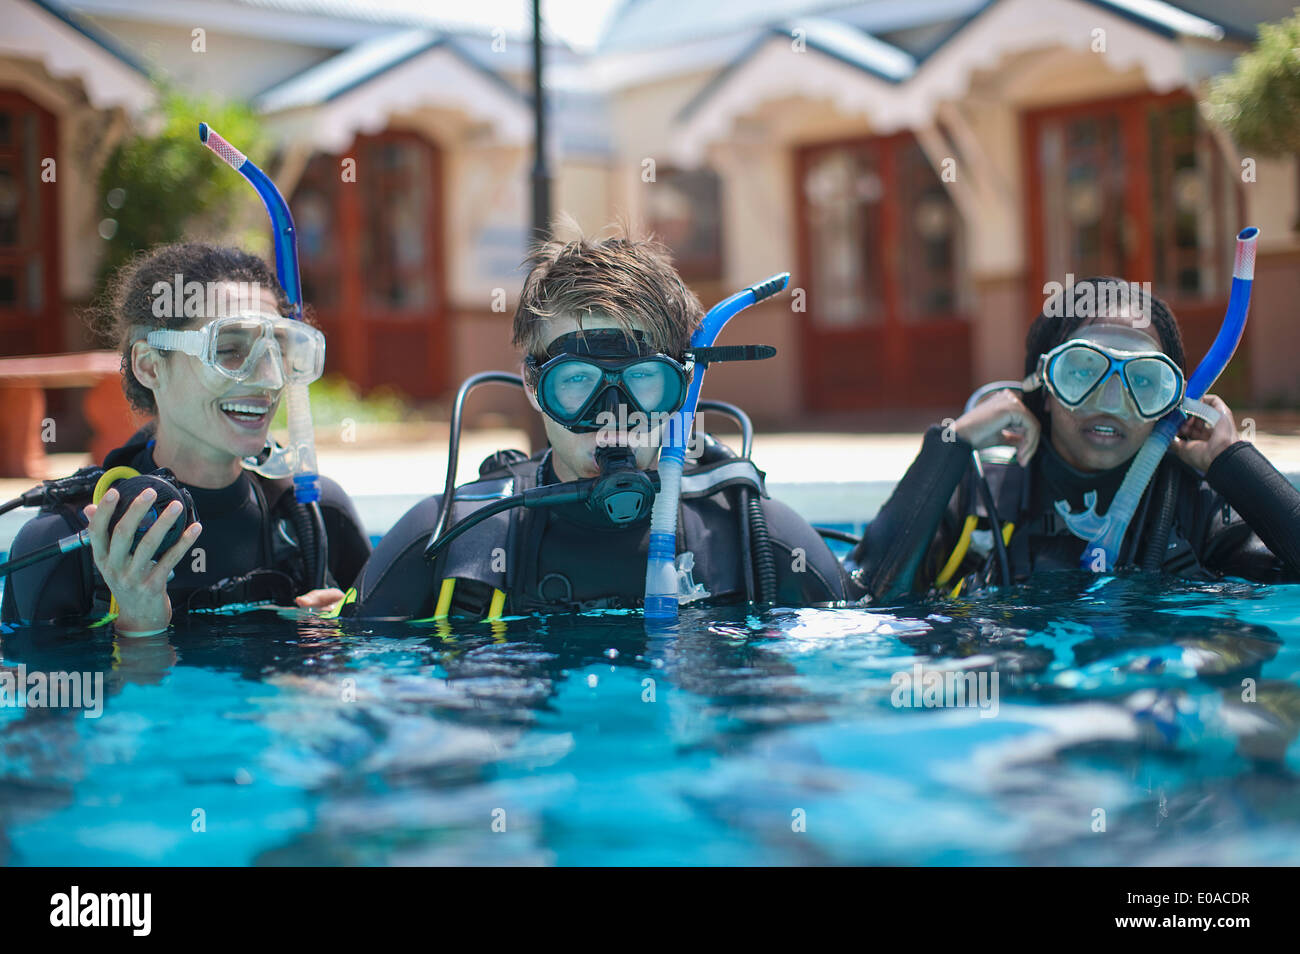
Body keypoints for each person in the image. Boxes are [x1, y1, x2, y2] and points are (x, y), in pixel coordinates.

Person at [346, 232, 873, 619]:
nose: (610, 413)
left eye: (644, 379)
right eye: (576, 381)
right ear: (533, 385)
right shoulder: (451, 543)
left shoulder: (756, 538)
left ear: (685, 390)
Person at [1, 242, 370, 634]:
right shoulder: (63, 543)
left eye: (277, 351)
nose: (269, 378)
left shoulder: (317, 517)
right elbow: (39, 691)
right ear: (150, 367)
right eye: (229, 349)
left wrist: (337, 646)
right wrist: (138, 629)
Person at [853, 277, 1300, 600]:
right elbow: (866, 597)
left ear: (1171, 405)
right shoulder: (981, 492)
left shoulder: (1192, 502)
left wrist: (1234, 461)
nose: (1109, 401)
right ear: (1043, 388)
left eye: (1142, 381)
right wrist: (954, 443)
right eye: (1082, 372)